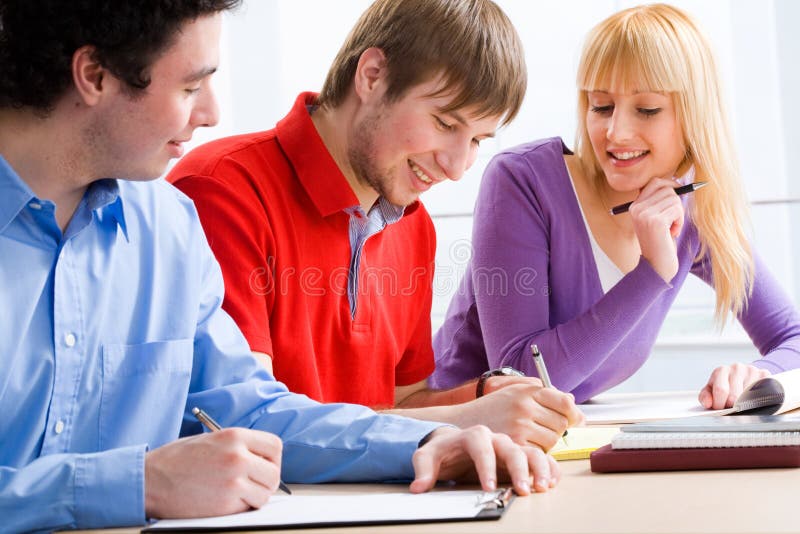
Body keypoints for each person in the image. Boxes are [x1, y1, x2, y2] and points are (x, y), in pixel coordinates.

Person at [0, 1, 560, 531]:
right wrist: (136, 483)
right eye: (191, 85)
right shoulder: (217, 190)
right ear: (94, 76)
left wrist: (427, 440)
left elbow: (250, 410)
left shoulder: (167, 226)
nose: (212, 112)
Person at [167, 0, 583, 450]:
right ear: (371, 76)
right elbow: (243, 426)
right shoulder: (221, 190)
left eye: (478, 140)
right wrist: (463, 419)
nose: (457, 166)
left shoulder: (414, 226)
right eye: (445, 123)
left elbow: (399, 405)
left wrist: (485, 398)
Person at [430, 3, 800, 408]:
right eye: (600, 106)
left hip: (555, 447)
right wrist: (652, 274)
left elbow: (792, 339)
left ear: (696, 117)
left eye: (647, 109)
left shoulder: (695, 214)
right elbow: (521, 379)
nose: (616, 132)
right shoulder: (523, 182)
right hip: (449, 432)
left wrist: (759, 375)